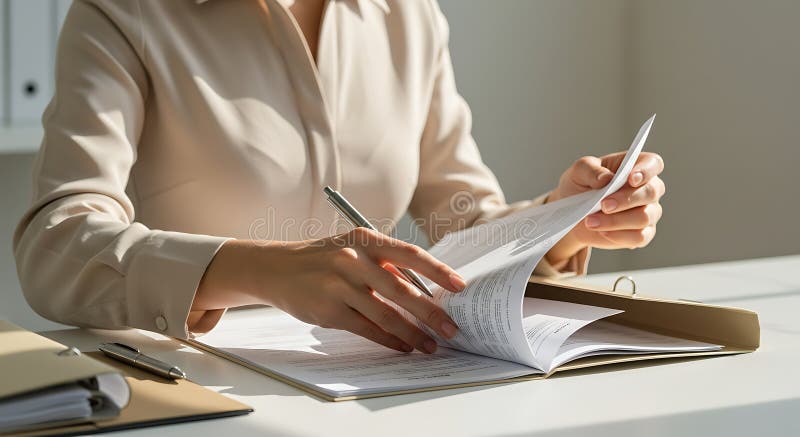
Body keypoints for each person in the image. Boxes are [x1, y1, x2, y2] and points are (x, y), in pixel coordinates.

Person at [13, 0, 664, 355]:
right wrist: (259, 268)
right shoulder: (122, 14)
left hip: (374, 388)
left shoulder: (408, 15)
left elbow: (459, 222)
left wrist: (559, 220)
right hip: (199, 393)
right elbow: (56, 242)